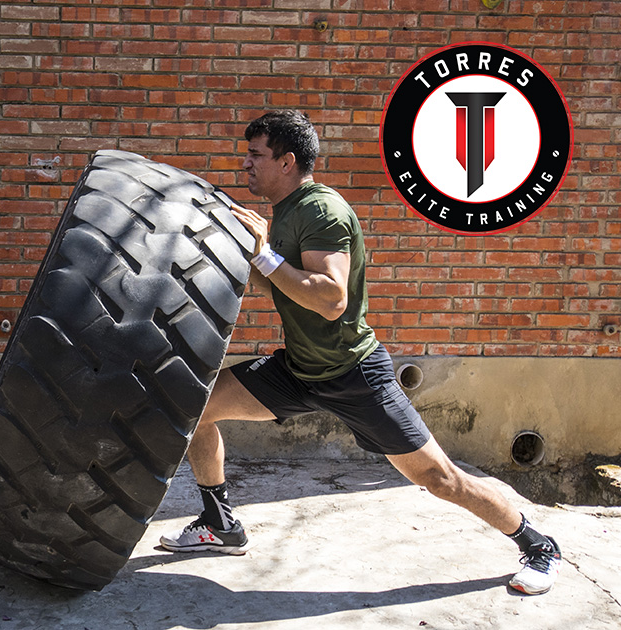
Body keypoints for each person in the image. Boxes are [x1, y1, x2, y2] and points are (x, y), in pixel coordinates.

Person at [158, 110, 562, 595]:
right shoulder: (285, 211)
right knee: (196, 406)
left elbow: (331, 299)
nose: (246, 164)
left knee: (439, 478)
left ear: (286, 162)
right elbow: (286, 288)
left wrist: (264, 255)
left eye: (256, 156)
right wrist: (243, 254)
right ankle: (219, 523)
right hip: (300, 368)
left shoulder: (320, 210)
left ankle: (539, 544)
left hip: (353, 374)